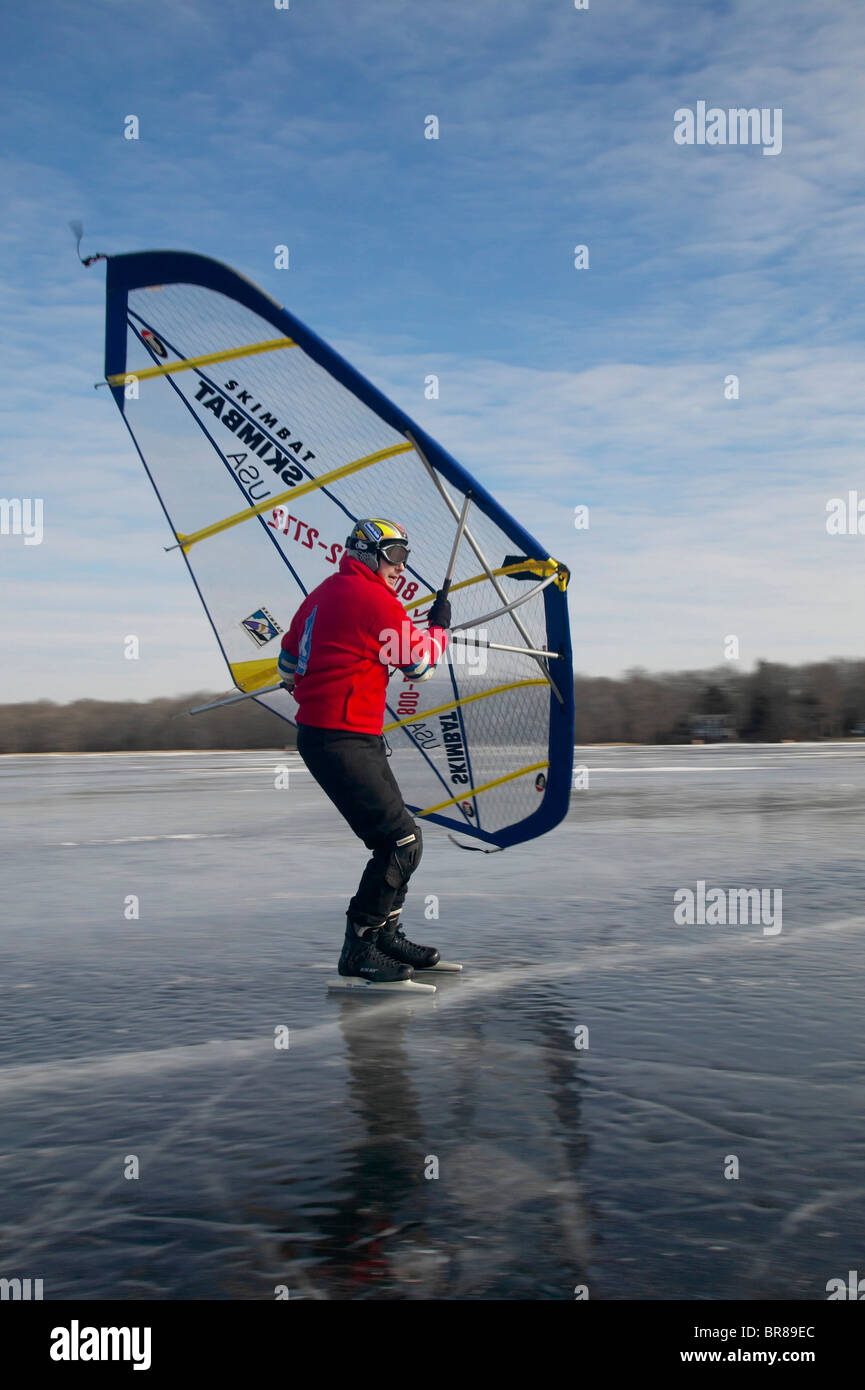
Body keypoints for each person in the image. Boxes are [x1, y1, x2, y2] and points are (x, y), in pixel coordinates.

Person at [278, 519, 452, 984]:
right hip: (340, 738)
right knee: (398, 842)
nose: (402, 567)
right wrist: (439, 628)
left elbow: (287, 664)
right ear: (368, 552)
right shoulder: (373, 598)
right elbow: (419, 664)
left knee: (405, 840)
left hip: (342, 736)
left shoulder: (321, 594)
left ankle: (384, 936)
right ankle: (359, 948)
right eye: (394, 555)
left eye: (406, 556)